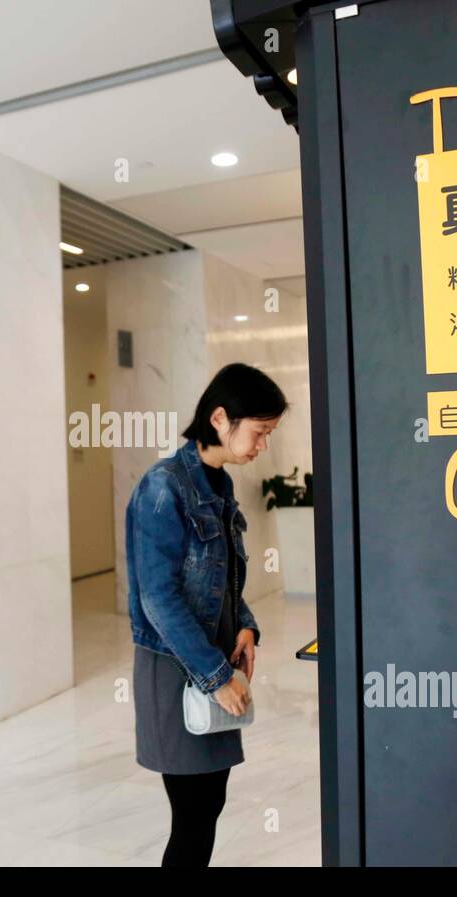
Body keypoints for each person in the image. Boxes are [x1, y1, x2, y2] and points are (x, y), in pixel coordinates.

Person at [126, 362, 287, 866]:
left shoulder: (219, 485)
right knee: (193, 814)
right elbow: (158, 599)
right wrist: (217, 676)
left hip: (210, 659)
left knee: (209, 804)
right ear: (220, 418)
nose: (262, 445)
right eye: (259, 432)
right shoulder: (163, 486)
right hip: (178, 668)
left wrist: (244, 623)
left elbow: (222, 578)